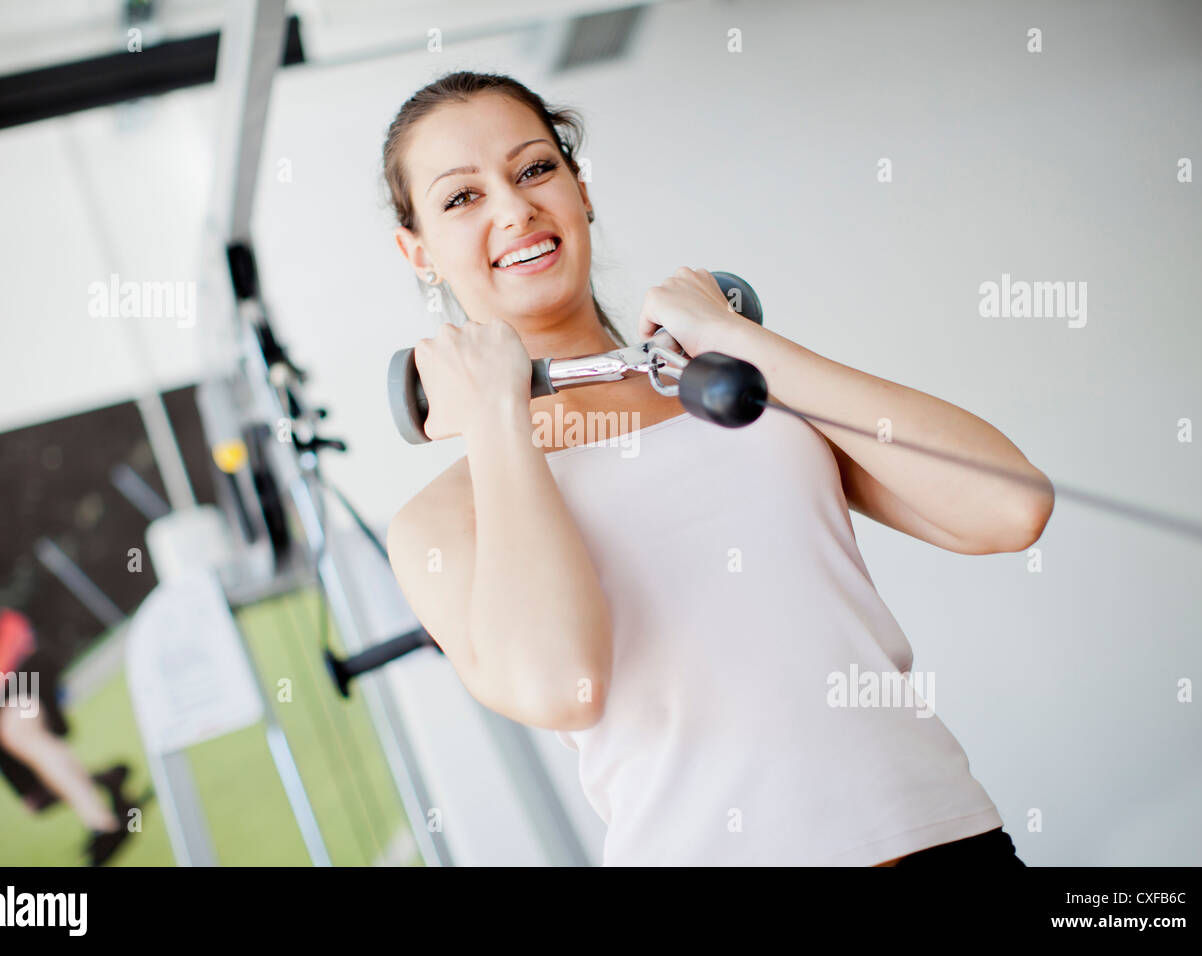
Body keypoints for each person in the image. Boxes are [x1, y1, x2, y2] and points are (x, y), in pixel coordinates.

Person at [381, 71, 1050, 866]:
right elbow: (566, 685)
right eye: (461, 198)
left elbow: (1010, 508)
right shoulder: (442, 518)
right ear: (417, 251)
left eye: (534, 170)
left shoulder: (737, 388)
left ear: (581, 188)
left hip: (949, 841)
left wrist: (738, 340)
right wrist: (496, 415)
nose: (515, 208)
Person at [0, 602, 138, 865]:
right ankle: (106, 780)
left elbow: (12, 632)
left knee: (18, 730)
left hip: (21, 661)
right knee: (37, 800)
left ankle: (105, 825)